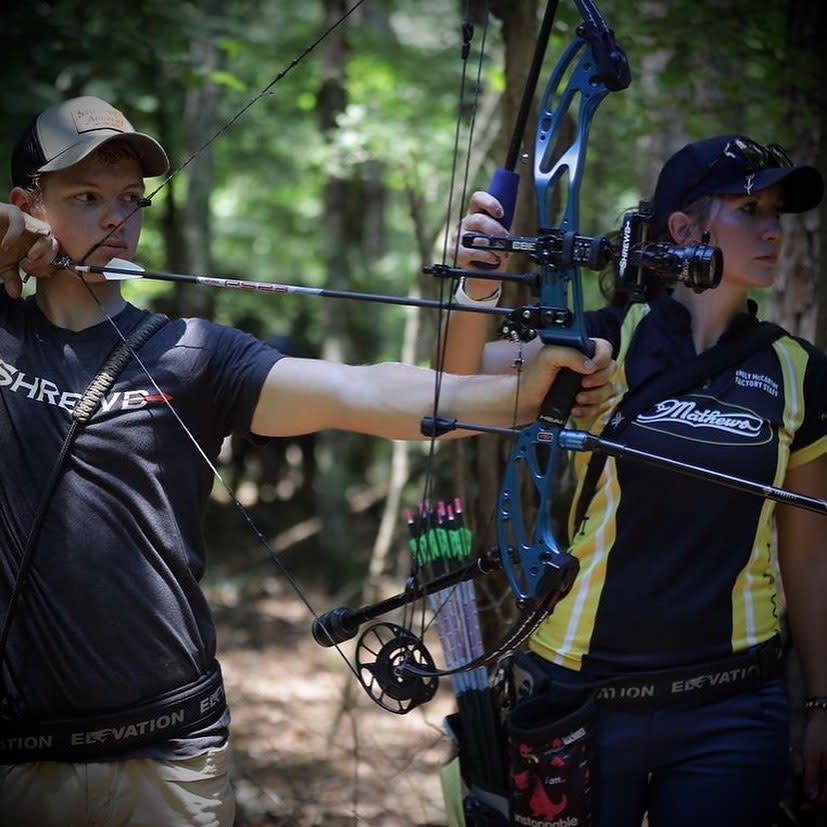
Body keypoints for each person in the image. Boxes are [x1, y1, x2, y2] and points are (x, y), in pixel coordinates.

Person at [0, 96, 616, 827]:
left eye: (130, 198)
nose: (115, 220)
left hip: (169, 757)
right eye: (85, 197)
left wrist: (519, 395)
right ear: (28, 206)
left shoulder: (191, 356)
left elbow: (362, 389)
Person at [442, 134, 827, 826]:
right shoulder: (605, 343)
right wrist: (478, 284)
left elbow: (808, 555)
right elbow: (453, 388)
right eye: (749, 209)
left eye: (776, 212)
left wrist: (822, 703)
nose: (773, 229)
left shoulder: (799, 372)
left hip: (731, 704)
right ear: (683, 228)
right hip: (581, 694)